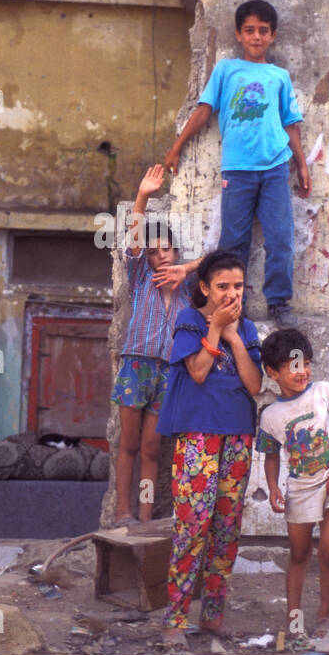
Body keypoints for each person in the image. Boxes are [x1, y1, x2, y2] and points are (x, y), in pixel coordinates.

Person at [162, 0, 310, 328]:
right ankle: (230, 304)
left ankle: (278, 302)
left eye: (263, 31)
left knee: (280, 238)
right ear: (238, 34)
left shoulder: (279, 76)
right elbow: (203, 110)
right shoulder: (226, 70)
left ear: (273, 36)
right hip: (237, 170)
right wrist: (176, 147)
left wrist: (301, 165)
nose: (256, 37)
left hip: (274, 168)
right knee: (233, 242)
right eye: (250, 31)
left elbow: (291, 125)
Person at [155, 251, 262, 647]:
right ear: (204, 288)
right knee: (191, 528)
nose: (231, 294)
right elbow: (198, 372)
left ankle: (213, 617)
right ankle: (175, 621)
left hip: (237, 435)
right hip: (199, 436)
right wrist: (215, 328)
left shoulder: (247, 329)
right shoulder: (188, 320)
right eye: (222, 287)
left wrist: (233, 336)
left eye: (237, 286)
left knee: (226, 530)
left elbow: (253, 385)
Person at [258, 329, 329, 643]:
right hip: (300, 489)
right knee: (299, 553)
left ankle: (326, 615)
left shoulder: (324, 392)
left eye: (307, 363)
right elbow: (271, 456)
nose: (303, 371)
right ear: (273, 372)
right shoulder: (270, 416)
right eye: (293, 365)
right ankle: (295, 616)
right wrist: (273, 486)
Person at [112, 164, 198, 526]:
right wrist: (143, 196)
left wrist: (188, 268)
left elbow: (222, 260)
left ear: (177, 252)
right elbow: (132, 238)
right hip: (136, 366)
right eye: (153, 252)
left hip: (169, 373)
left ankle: (145, 515)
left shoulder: (190, 290)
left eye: (167, 250)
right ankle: (122, 512)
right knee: (128, 445)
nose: (160, 256)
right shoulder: (140, 278)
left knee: (152, 449)